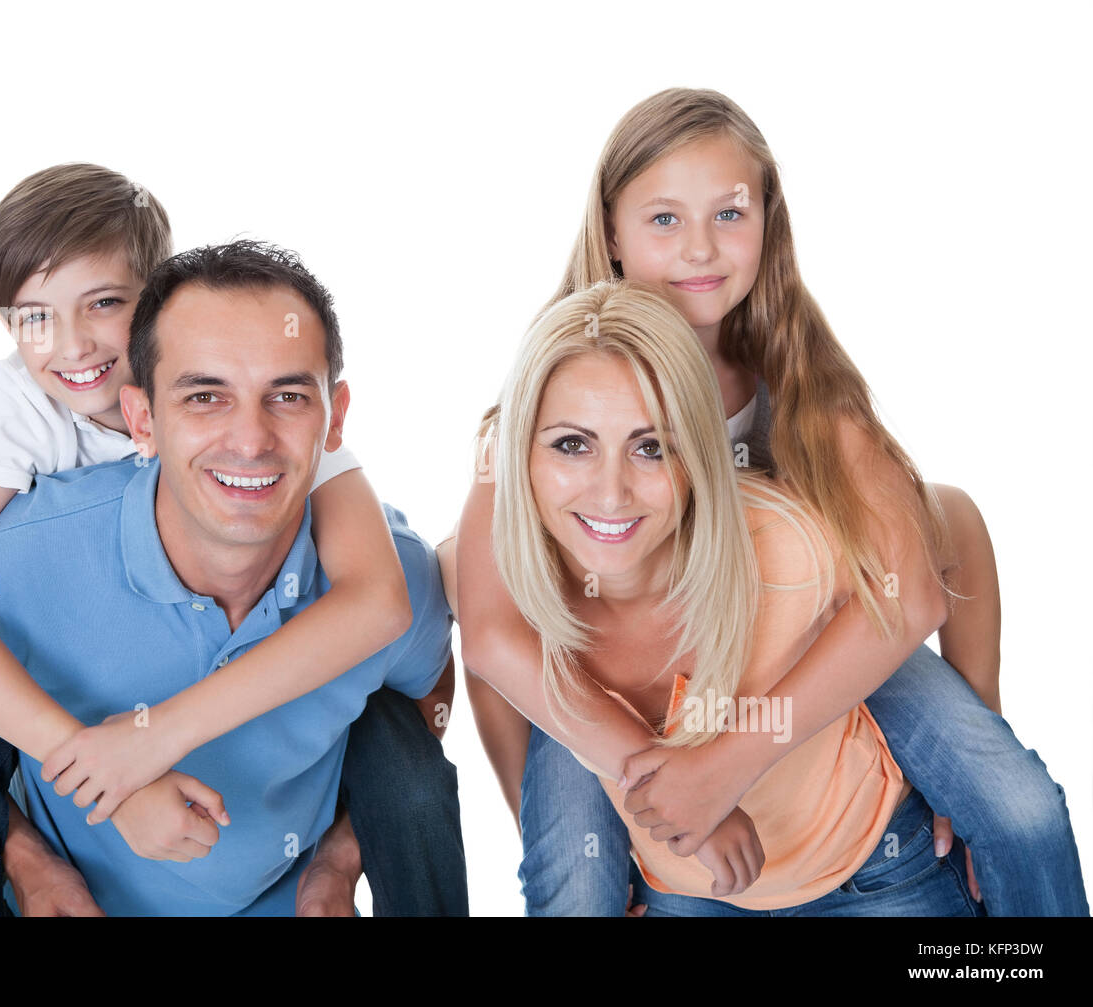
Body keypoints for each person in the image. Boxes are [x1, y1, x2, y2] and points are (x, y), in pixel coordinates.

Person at [457, 88, 1085, 916]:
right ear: (609, 230)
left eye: (729, 213)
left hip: (803, 650)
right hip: (620, 677)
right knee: (573, 880)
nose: (700, 251)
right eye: (663, 220)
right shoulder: (554, 387)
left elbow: (938, 541)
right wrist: (632, 778)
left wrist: (968, 740)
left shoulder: (802, 384)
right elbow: (493, 631)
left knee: (1019, 810)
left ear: (768, 219)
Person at [0, 239, 461, 916]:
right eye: (205, 396)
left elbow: (424, 689)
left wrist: (342, 859)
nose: (250, 440)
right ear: (142, 418)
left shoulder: (388, 571)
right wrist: (26, 861)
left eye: (287, 396)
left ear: (335, 416)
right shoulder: (23, 556)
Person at [456, 279, 980, 914]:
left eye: (651, 447)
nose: (611, 492)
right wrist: (663, 790)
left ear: (699, 454)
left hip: (873, 873)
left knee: (1023, 819)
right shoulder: (505, 574)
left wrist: (973, 769)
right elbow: (485, 646)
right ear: (517, 460)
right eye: (572, 444)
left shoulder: (785, 548)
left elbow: (951, 526)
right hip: (687, 893)